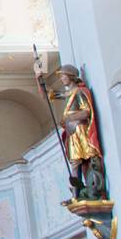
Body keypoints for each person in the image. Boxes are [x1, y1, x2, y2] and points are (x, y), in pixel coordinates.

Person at [38, 64, 105, 200]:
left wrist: (69, 117)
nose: (61, 79)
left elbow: (86, 112)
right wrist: (38, 78)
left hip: (81, 132)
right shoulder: (68, 94)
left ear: (71, 76)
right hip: (73, 133)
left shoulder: (80, 92)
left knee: (86, 160)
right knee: (75, 163)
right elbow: (47, 95)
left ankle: (92, 188)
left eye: (63, 75)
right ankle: (76, 194)